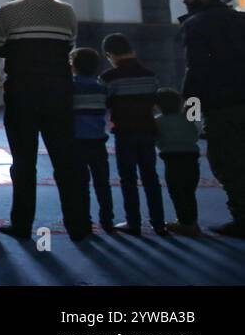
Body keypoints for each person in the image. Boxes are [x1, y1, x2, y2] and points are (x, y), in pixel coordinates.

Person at [0, 0, 92, 242]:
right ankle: (79, 225)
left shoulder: (7, 12)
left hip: (22, 93)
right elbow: (69, 45)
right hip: (59, 93)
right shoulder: (66, 12)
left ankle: (22, 224)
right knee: (66, 160)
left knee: (23, 161)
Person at [173, 0, 245, 238]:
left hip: (222, 105)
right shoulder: (240, 19)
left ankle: (242, 219)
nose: (185, 3)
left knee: (228, 162)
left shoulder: (197, 24)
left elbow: (197, 69)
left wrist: (190, 109)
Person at [100, 33, 166, 236]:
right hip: (147, 131)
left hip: (125, 132)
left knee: (128, 178)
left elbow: (105, 102)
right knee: (151, 177)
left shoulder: (109, 77)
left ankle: (133, 223)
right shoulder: (149, 74)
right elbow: (155, 101)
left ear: (109, 54)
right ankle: (159, 222)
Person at [70, 47, 114, 233]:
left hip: (77, 143)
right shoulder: (102, 88)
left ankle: (84, 221)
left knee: (80, 185)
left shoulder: (71, 87)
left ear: (73, 66)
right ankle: (107, 220)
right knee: (102, 183)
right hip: (98, 142)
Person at [156, 87, 202, 238]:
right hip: (192, 159)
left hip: (173, 161)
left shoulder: (158, 121)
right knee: (189, 192)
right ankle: (191, 222)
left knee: (177, 193)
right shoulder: (188, 118)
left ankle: (185, 224)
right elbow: (196, 133)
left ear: (158, 105)